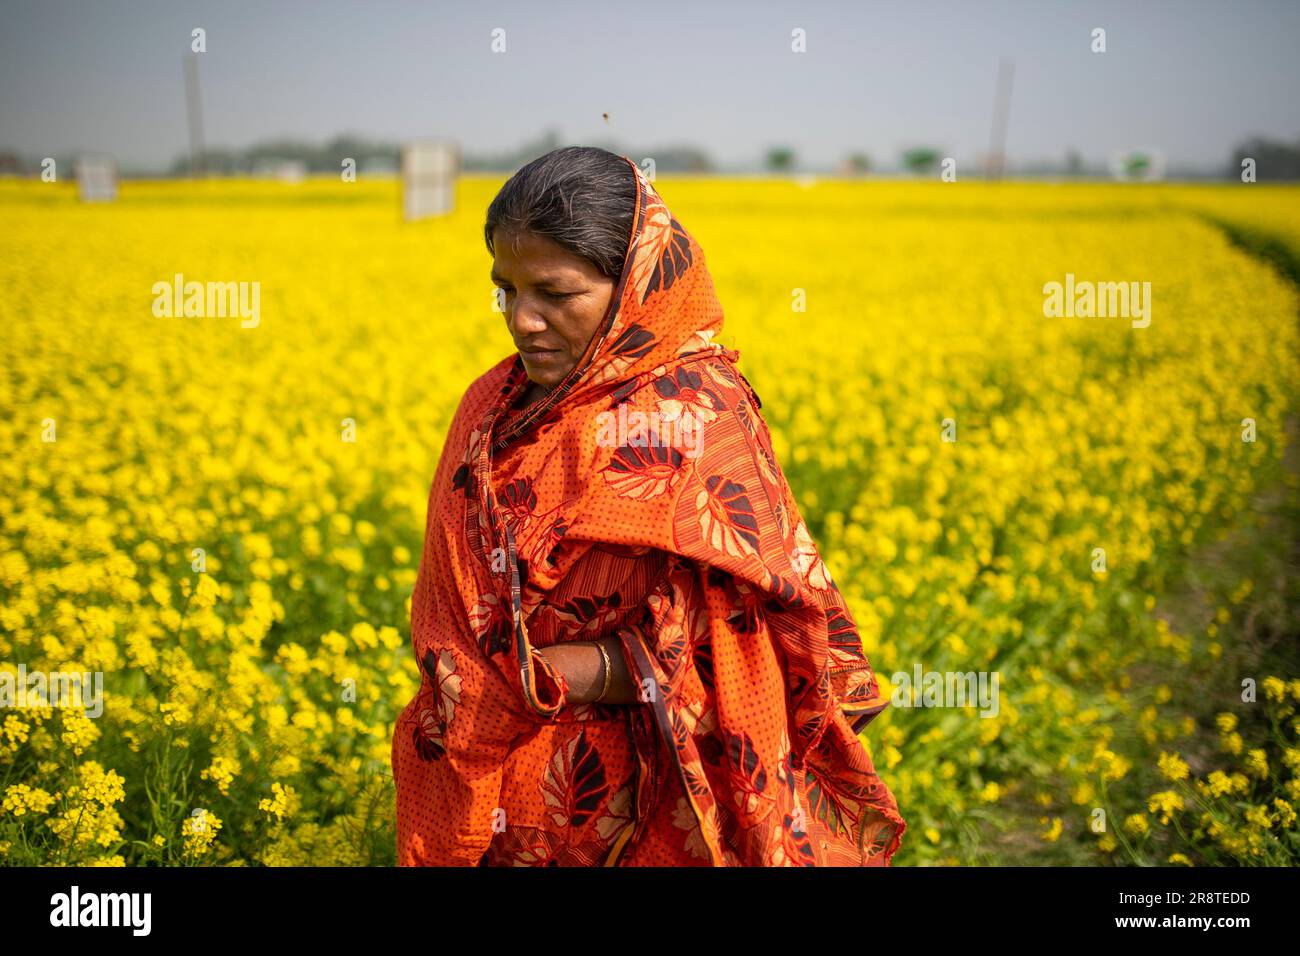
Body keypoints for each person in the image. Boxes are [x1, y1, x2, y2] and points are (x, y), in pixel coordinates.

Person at [391, 145, 906, 866]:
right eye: (505, 289)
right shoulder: (489, 406)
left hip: (657, 804)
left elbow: (752, 640)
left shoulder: (694, 416)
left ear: (632, 284)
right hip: (486, 783)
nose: (522, 320)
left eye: (556, 294)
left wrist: (570, 672)